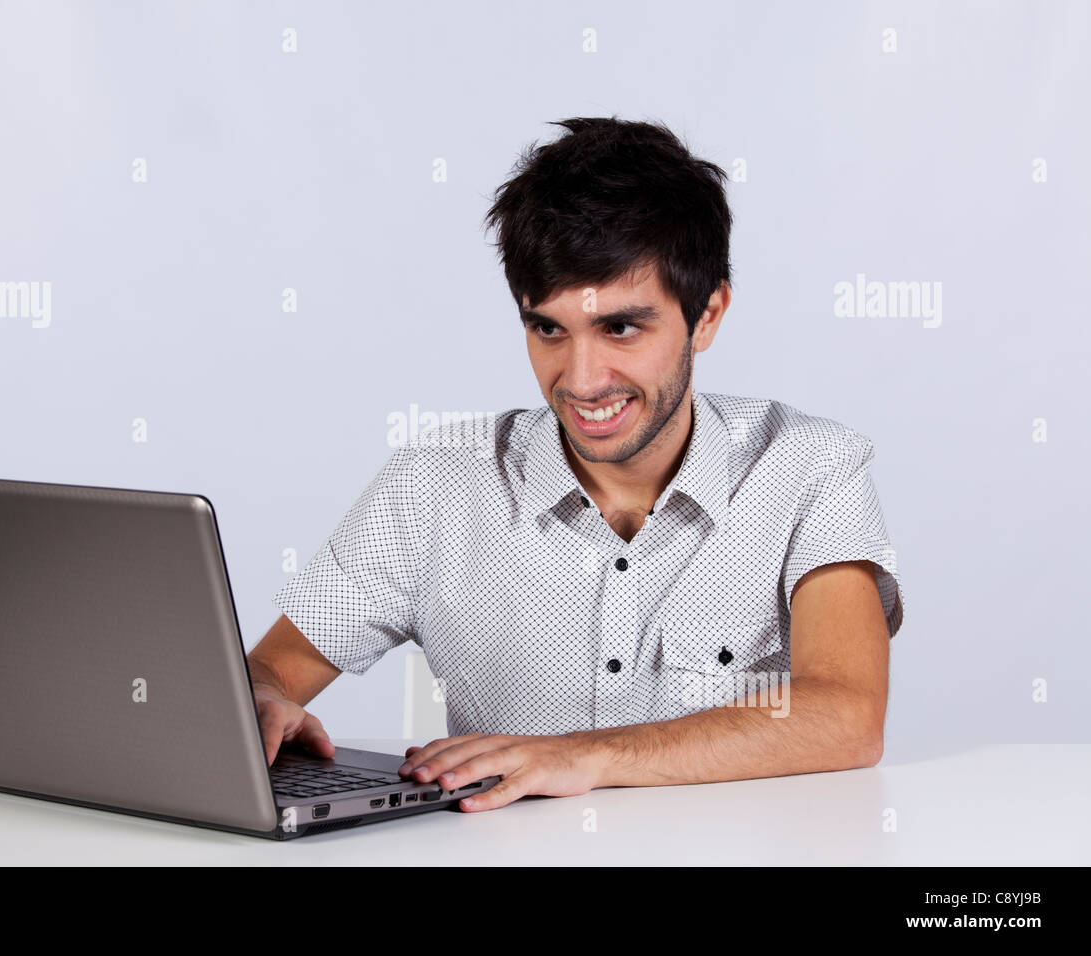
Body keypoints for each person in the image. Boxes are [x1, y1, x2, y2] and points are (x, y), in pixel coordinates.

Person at [247, 116, 906, 813]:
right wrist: (263, 702)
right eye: (548, 329)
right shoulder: (435, 483)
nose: (583, 380)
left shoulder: (810, 468)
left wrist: (587, 754)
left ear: (707, 314)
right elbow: (269, 672)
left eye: (621, 328)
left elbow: (846, 714)